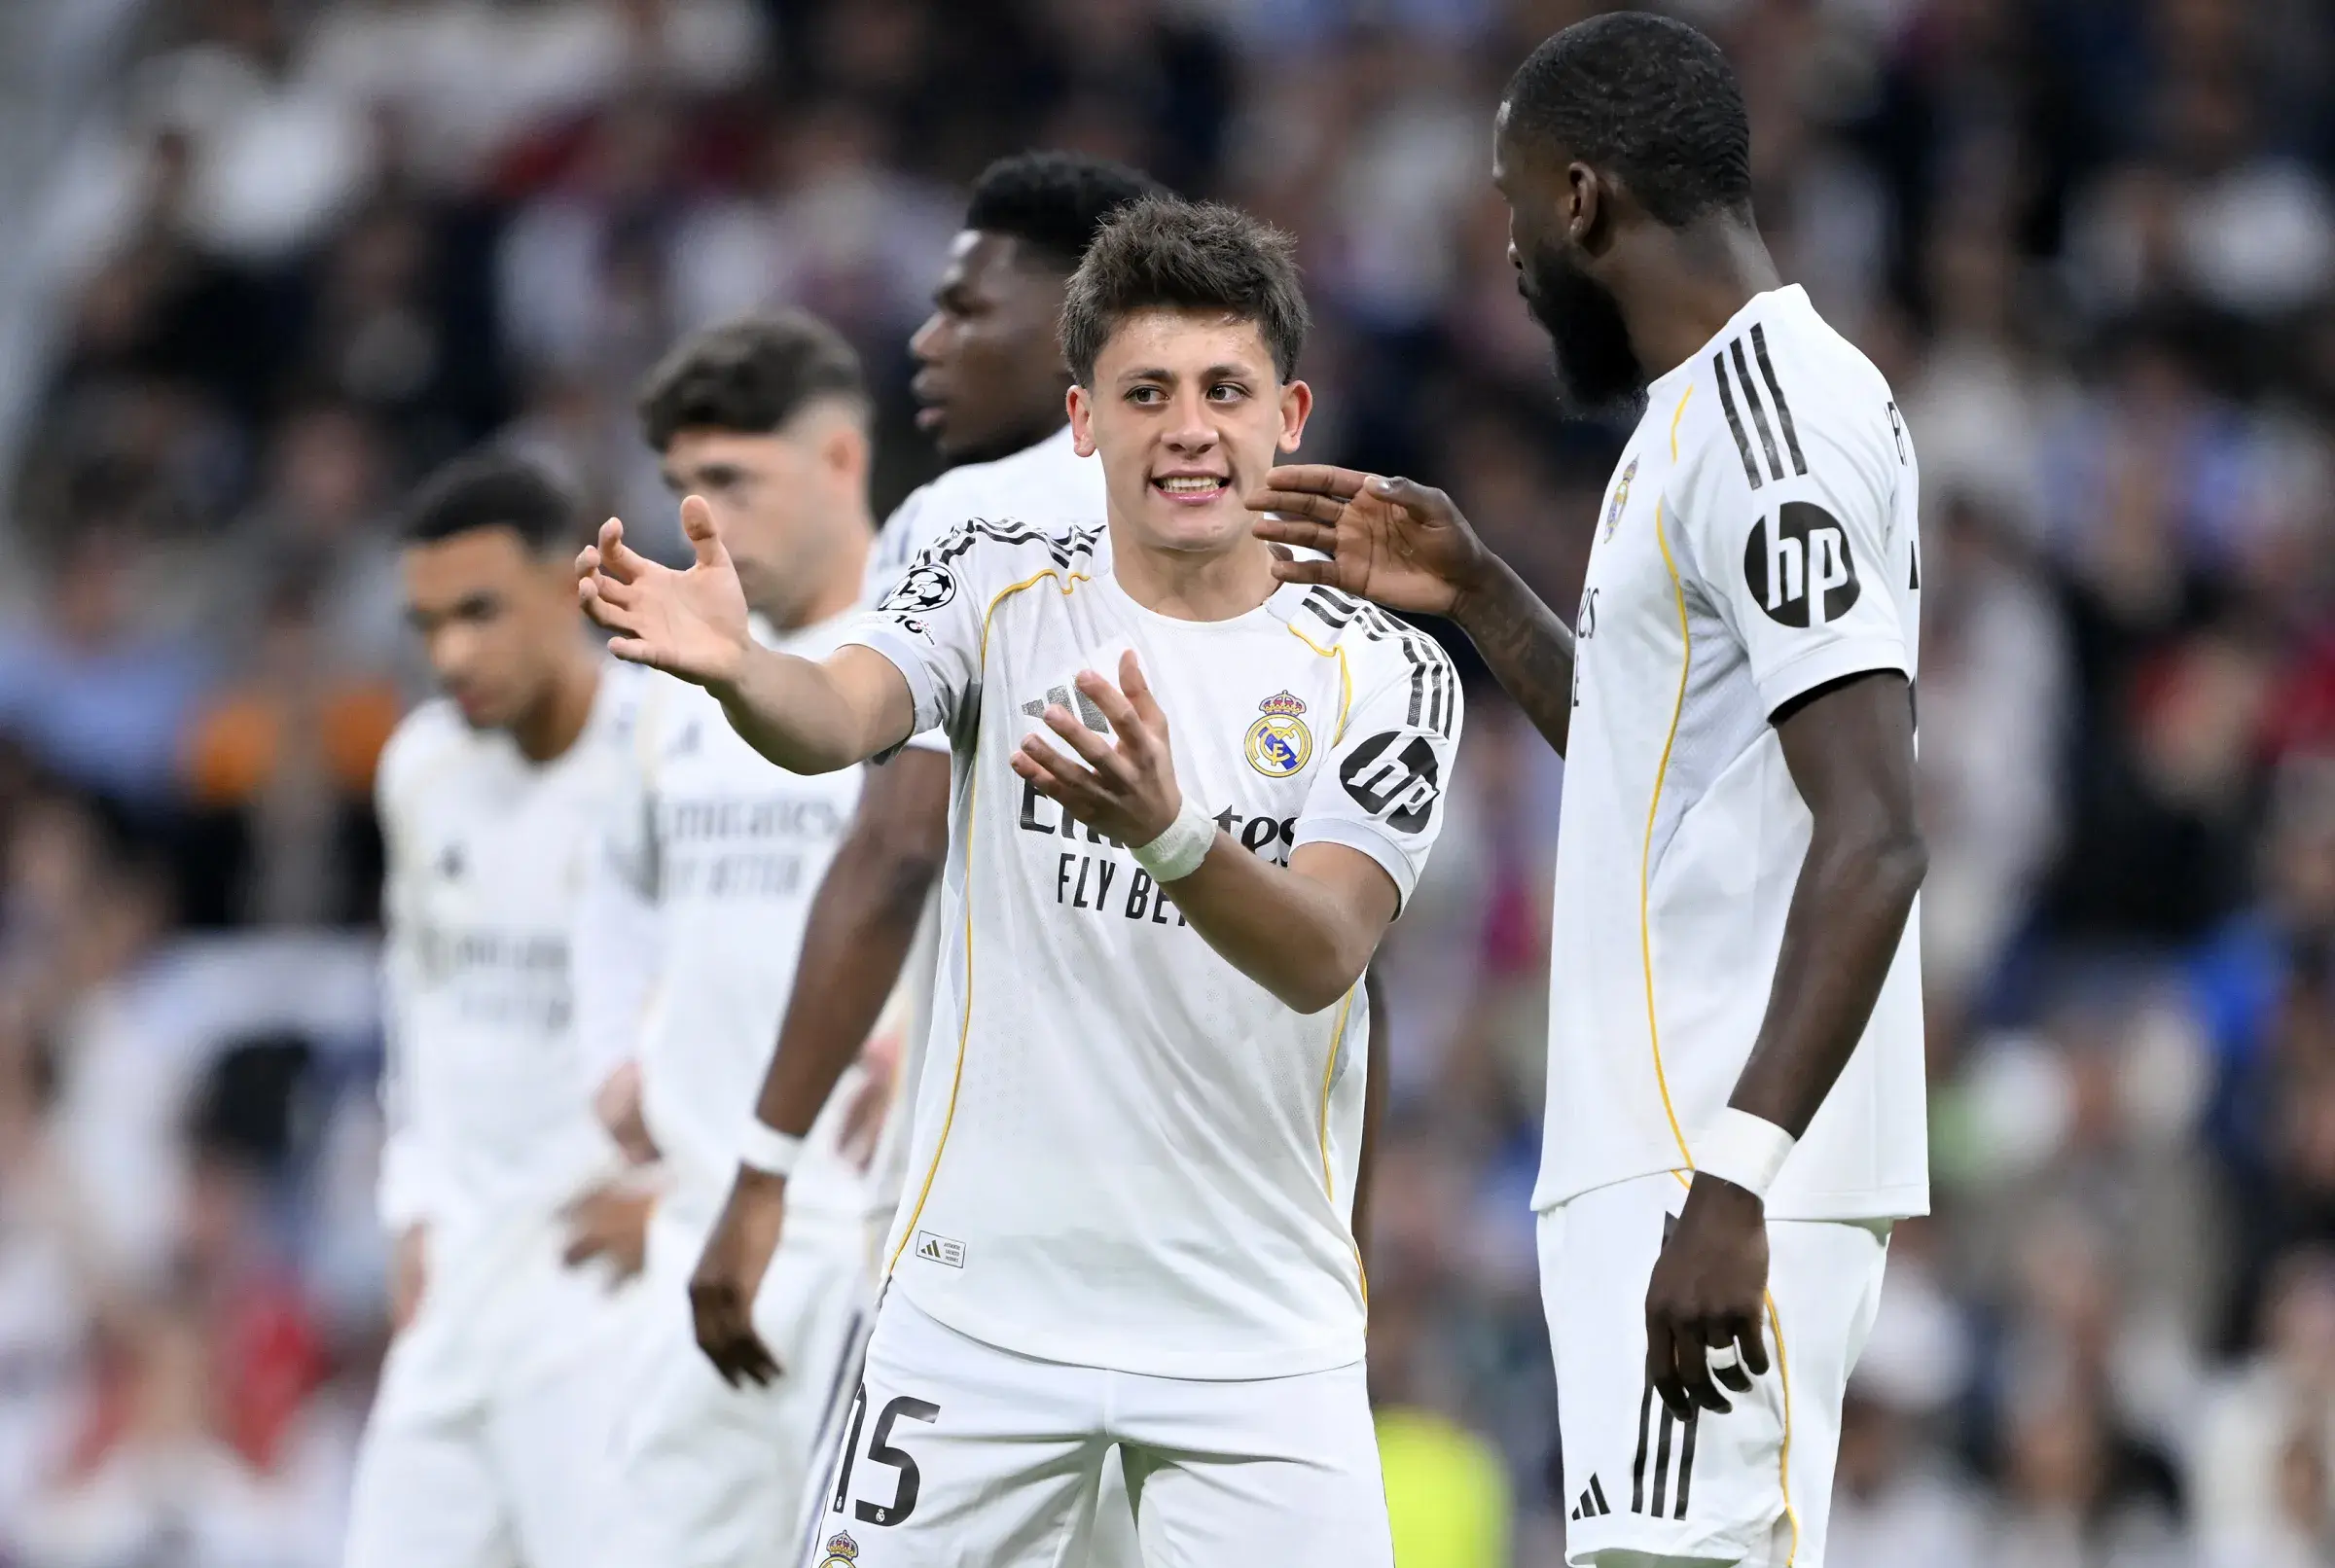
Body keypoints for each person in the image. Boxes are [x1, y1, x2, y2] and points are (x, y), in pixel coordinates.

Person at [577, 195, 1457, 1567]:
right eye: (1146, 392)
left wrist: (1169, 832)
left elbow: (1325, 951)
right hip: (976, 1317)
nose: (1188, 428)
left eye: (1225, 390)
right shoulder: (993, 588)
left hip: (1256, 1336)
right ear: (1084, 419)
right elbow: (839, 714)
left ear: (1288, 415)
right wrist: (745, 671)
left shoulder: (1383, 668)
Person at [1253, 15, 1927, 1568]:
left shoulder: (1775, 427)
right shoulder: (1687, 422)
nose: (1503, 251)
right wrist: (1483, 593)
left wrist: (1735, 1183)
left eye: (1510, 203)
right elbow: (1665, 771)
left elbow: (1878, 836)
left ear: (1582, 198)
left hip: (1719, 1151)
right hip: (1663, 1151)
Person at [678, 150, 1161, 1561]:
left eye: (964, 307)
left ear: (1074, 324)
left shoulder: (967, 518)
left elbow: (896, 850)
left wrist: (763, 1165)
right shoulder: (1260, 520)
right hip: (1215, 1231)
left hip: (991, 1211)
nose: (924, 339)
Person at [576, 309, 891, 1568]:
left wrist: (929, 1023)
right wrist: (612, 1057)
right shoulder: (664, 686)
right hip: (701, 1237)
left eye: (734, 480)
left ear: (840, 461)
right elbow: (613, 885)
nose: (704, 514)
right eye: (682, 484)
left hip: (880, 1244)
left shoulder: (921, 659)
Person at [344, 452, 643, 1568]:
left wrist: (685, 1198)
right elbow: (415, 995)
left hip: (600, 1284)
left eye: (480, 612)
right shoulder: (419, 766)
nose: (450, 655)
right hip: (457, 1281)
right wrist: (411, 1199)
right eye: (427, 624)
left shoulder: (665, 753)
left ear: (571, 589)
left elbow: (743, 993)